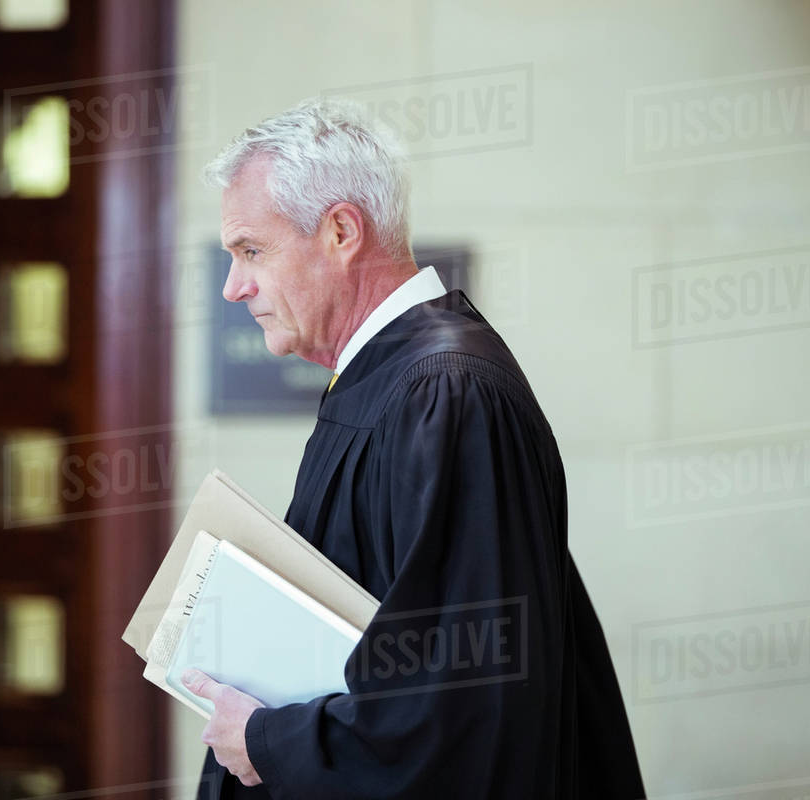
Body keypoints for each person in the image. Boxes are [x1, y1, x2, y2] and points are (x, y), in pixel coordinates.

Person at [184, 98, 646, 799]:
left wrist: (267, 741)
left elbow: (462, 707)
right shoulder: (394, 379)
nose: (233, 286)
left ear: (341, 231)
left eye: (252, 250)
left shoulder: (448, 395)